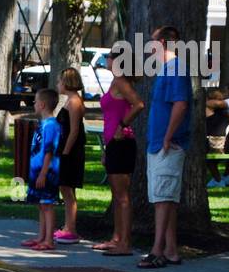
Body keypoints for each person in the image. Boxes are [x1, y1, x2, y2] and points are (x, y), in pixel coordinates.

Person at [139, 25, 193, 269]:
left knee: (162, 197)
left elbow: (180, 104)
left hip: (168, 144)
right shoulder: (167, 70)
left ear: (162, 43)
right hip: (159, 143)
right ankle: (171, 249)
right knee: (164, 196)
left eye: (152, 42)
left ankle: (157, 250)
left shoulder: (177, 68)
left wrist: (168, 137)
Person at [93, 74, 144, 256]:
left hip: (123, 143)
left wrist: (122, 125)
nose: (107, 59)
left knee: (122, 197)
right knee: (116, 195)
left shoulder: (122, 82)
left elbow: (139, 104)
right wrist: (107, 149)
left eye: (111, 56)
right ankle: (116, 239)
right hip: (114, 145)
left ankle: (125, 243)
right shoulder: (116, 81)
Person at [22, 88, 62, 251]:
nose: (34, 104)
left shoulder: (51, 126)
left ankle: (49, 240)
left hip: (47, 172)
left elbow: (49, 151)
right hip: (37, 171)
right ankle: (41, 236)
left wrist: (44, 173)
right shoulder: (43, 124)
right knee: (41, 204)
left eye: (36, 101)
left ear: (43, 104)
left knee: (47, 204)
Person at [53, 67, 86, 244]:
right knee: (65, 188)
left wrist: (65, 152)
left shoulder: (74, 102)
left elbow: (74, 131)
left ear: (66, 82)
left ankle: (71, 228)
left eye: (59, 81)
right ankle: (67, 226)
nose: (58, 85)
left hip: (71, 151)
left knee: (67, 189)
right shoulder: (70, 101)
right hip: (66, 149)